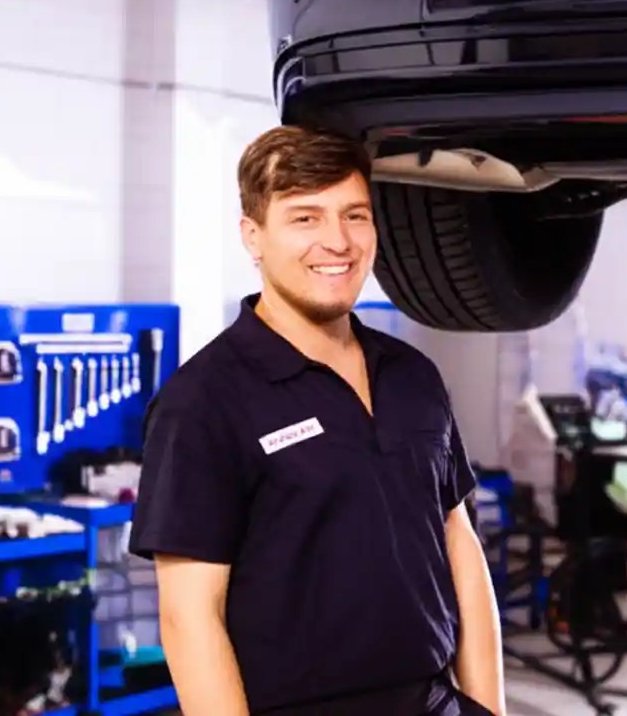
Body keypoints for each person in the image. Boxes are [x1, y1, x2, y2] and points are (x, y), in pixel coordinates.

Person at [128, 125, 505, 715]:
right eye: (305, 218)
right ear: (253, 237)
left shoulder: (413, 375)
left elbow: (458, 540)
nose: (338, 241)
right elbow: (188, 617)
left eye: (354, 215)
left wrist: (487, 710)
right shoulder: (202, 401)